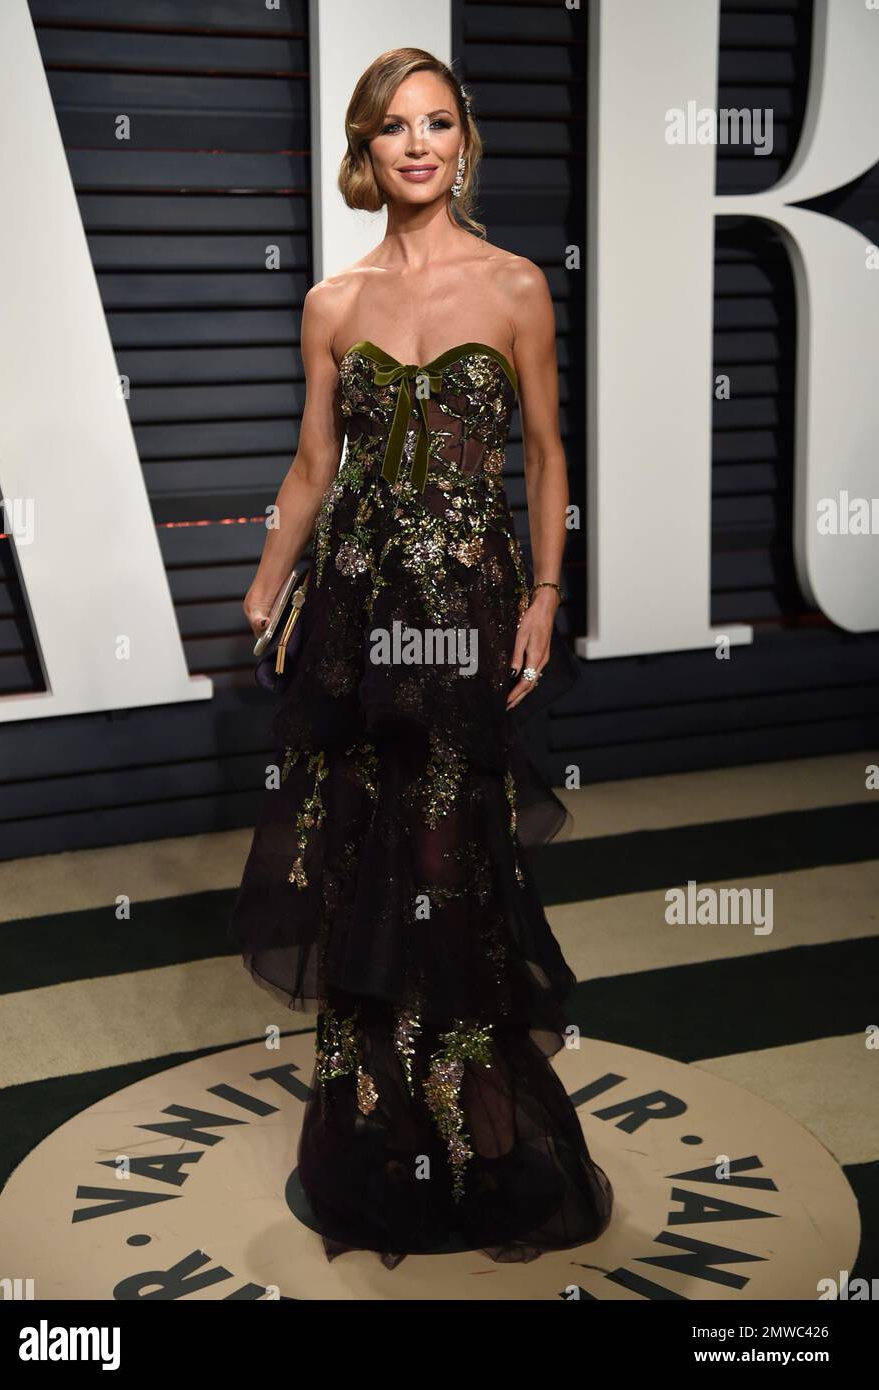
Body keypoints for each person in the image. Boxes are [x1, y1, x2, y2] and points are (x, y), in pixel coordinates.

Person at [228, 46, 613, 1267]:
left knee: (451, 845)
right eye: (394, 126)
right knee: (360, 851)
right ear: (366, 147)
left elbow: (548, 455)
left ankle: (478, 1135)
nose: (416, 144)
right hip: (353, 609)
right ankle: (382, 1130)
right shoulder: (330, 304)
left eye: (437, 122)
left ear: (462, 142)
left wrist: (549, 590)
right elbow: (310, 469)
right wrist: (262, 584)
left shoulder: (513, 287)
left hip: (464, 611)